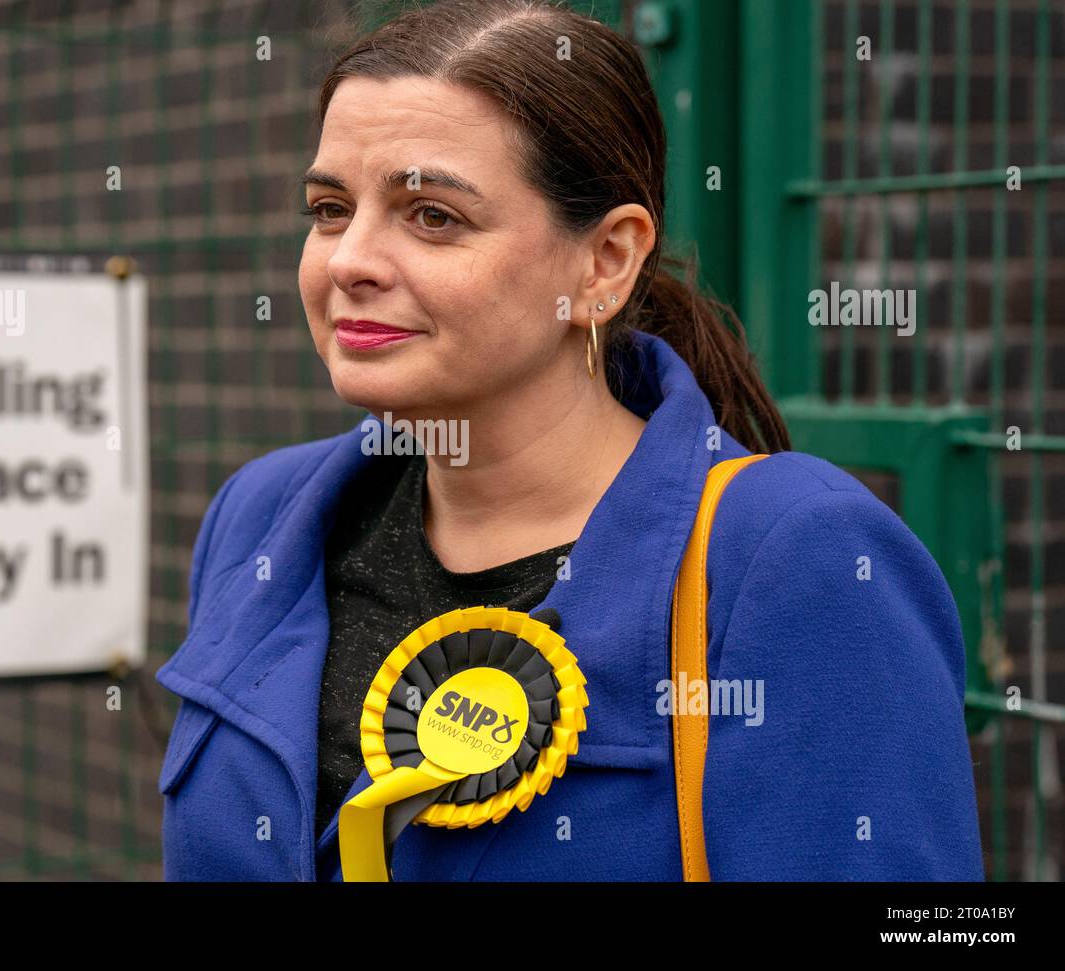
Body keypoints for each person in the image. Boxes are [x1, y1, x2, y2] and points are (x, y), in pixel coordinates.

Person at [157, 0, 983, 881]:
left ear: (606, 262)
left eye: (432, 215)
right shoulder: (260, 517)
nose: (348, 260)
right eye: (329, 208)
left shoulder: (796, 559)